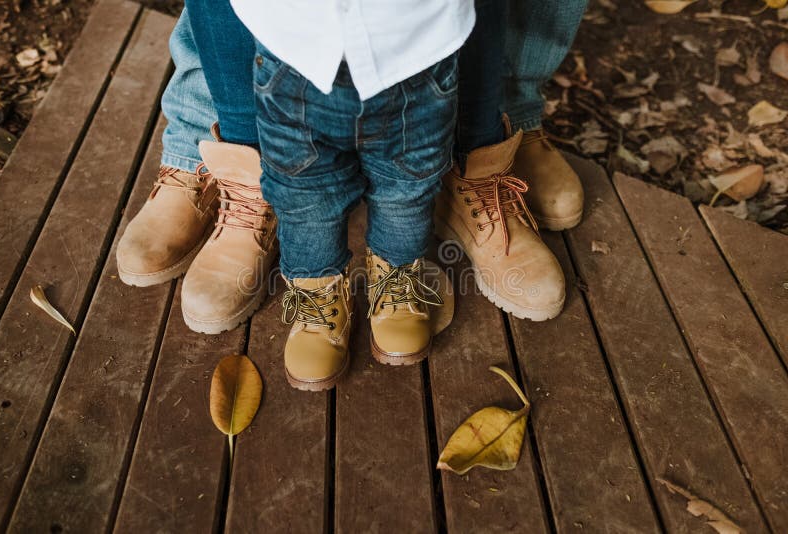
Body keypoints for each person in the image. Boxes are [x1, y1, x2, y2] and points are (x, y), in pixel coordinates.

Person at [115, 0, 587, 389]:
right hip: (289, 50)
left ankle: (399, 275)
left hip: (422, 47)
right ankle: (311, 284)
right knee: (305, 196)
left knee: (408, 186)